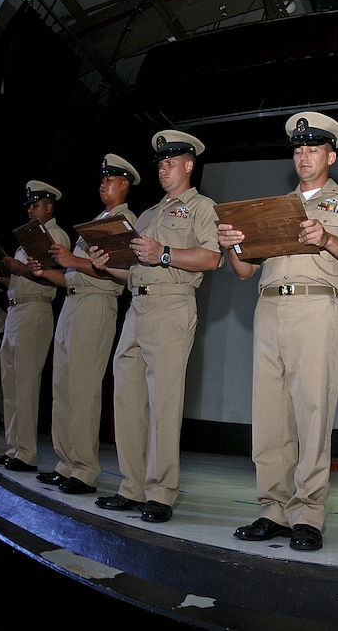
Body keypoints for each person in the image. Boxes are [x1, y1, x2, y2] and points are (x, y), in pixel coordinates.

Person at [219, 112, 338, 551]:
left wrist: (328, 239)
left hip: (315, 305)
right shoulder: (273, 208)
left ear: (331, 155)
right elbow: (242, 271)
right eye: (297, 148)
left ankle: (307, 513)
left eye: (312, 148)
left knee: (312, 413)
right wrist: (232, 242)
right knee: (269, 415)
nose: (303, 155)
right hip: (269, 307)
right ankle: (272, 509)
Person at [89, 130, 221, 523]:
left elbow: (211, 257)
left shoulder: (202, 207)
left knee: (163, 403)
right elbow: (129, 268)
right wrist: (104, 264)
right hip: (137, 307)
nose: (163, 169)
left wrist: (163, 252)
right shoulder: (147, 214)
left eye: (170, 162)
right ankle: (132, 486)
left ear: (189, 165)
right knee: (127, 401)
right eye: (160, 163)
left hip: (170, 307)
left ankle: (160, 492)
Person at [30, 154, 140, 495]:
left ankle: (85, 470)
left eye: (110, 179)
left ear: (124, 185)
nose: (103, 183)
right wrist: (47, 272)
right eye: (102, 178)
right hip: (73, 301)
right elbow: (74, 273)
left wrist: (72, 259)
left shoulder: (123, 219)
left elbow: (115, 269)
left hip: (96, 305)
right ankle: (66, 462)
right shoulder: (97, 220)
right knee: (62, 387)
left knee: (83, 389)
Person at [0, 180, 70, 473]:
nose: (30, 209)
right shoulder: (27, 238)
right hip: (15, 309)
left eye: (35, 204)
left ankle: (26, 453)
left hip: (35, 309)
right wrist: (5, 278)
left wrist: (20, 269)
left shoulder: (55, 235)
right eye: (29, 205)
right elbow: (24, 278)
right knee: (10, 384)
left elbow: (51, 276)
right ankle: (14, 447)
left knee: (24, 383)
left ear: (49, 206)